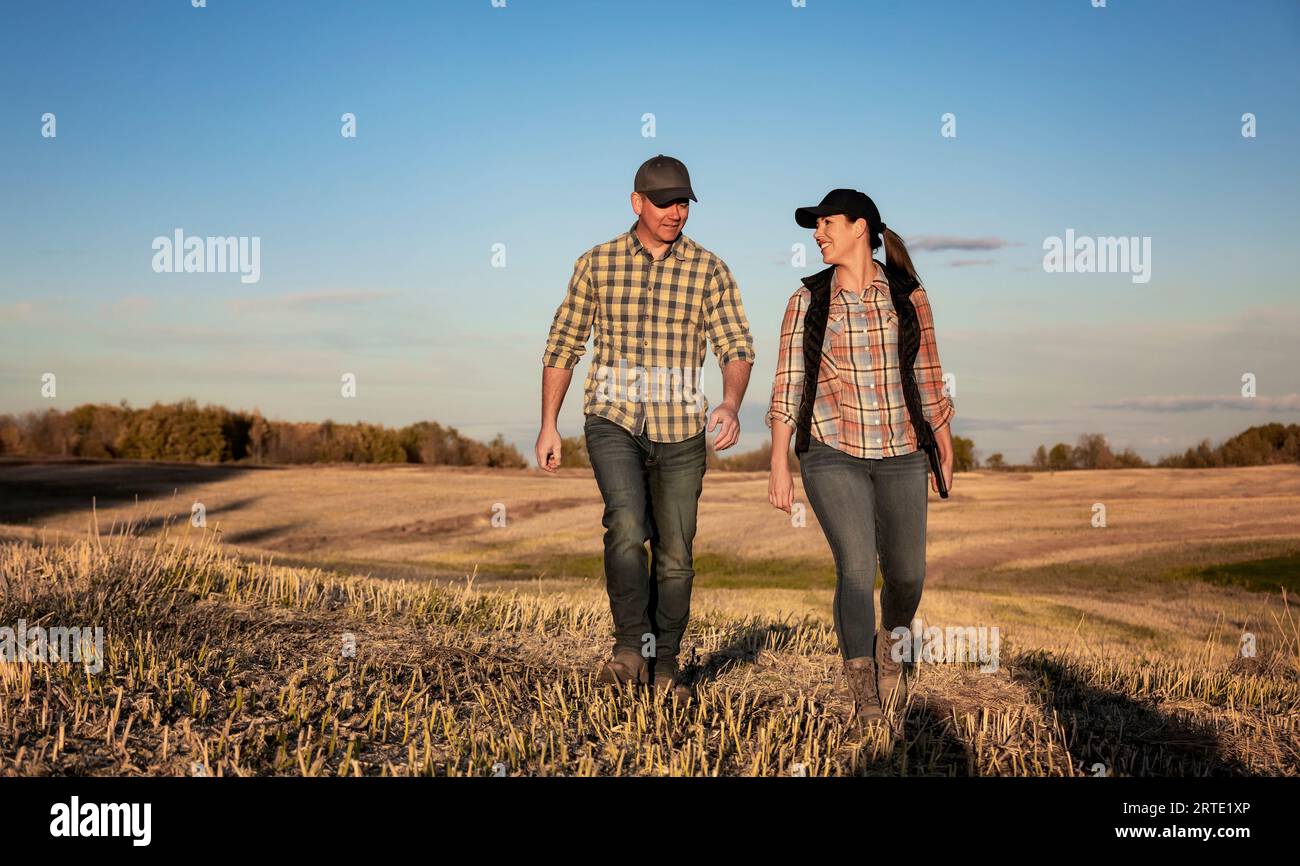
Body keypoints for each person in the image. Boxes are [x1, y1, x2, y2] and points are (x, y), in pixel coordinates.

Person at [536, 154, 755, 700]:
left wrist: (729, 403)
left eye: (683, 203)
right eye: (664, 203)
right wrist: (548, 425)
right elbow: (563, 344)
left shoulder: (710, 269)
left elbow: (736, 346)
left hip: (681, 429)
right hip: (613, 421)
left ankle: (667, 665)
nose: (676, 213)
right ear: (637, 203)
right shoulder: (597, 263)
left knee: (677, 553)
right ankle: (630, 648)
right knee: (628, 528)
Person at [765, 188, 954, 734]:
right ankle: (863, 686)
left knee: (908, 575)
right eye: (815, 225)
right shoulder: (806, 301)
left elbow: (928, 373)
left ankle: (892, 646)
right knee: (855, 566)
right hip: (831, 451)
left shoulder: (908, 296)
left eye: (827, 223)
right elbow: (787, 384)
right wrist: (780, 461)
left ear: (861, 227)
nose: (818, 233)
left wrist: (942, 437)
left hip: (901, 451)